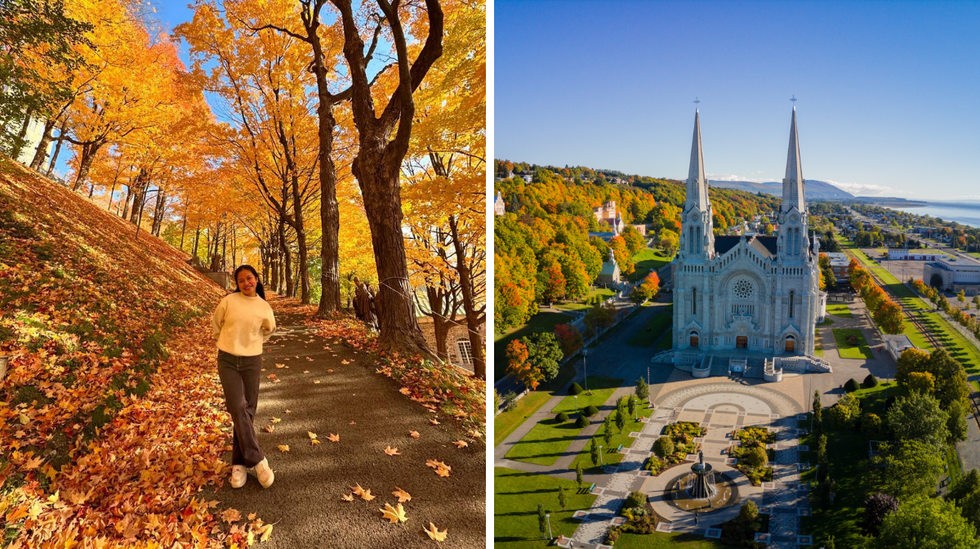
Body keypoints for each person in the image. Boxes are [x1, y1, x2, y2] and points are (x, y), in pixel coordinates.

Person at [213, 265, 277, 489]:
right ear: (237, 284)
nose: (246, 283)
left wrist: (254, 342)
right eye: (241, 281)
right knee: (237, 406)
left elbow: (269, 329)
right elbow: (216, 323)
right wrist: (226, 341)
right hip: (228, 360)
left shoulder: (263, 306)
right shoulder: (229, 301)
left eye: (249, 278)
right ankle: (258, 459)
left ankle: (238, 464)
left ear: (256, 279)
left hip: (251, 361)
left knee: (248, 410)